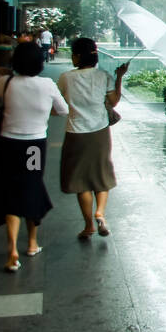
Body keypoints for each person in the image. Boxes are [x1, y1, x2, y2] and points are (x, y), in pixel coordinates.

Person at [0, 41, 68, 272]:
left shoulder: (5, 82)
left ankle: (11, 251)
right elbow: (63, 110)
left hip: (9, 145)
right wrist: (41, 112)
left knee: (9, 192)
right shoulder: (47, 85)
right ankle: (31, 243)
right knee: (31, 187)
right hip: (34, 146)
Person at [57, 38, 127, 239]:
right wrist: (119, 77)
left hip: (76, 132)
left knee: (81, 181)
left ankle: (89, 225)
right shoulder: (103, 76)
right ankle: (100, 213)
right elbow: (113, 102)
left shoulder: (66, 78)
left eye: (73, 53)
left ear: (78, 56)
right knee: (101, 173)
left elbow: (58, 103)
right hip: (100, 132)